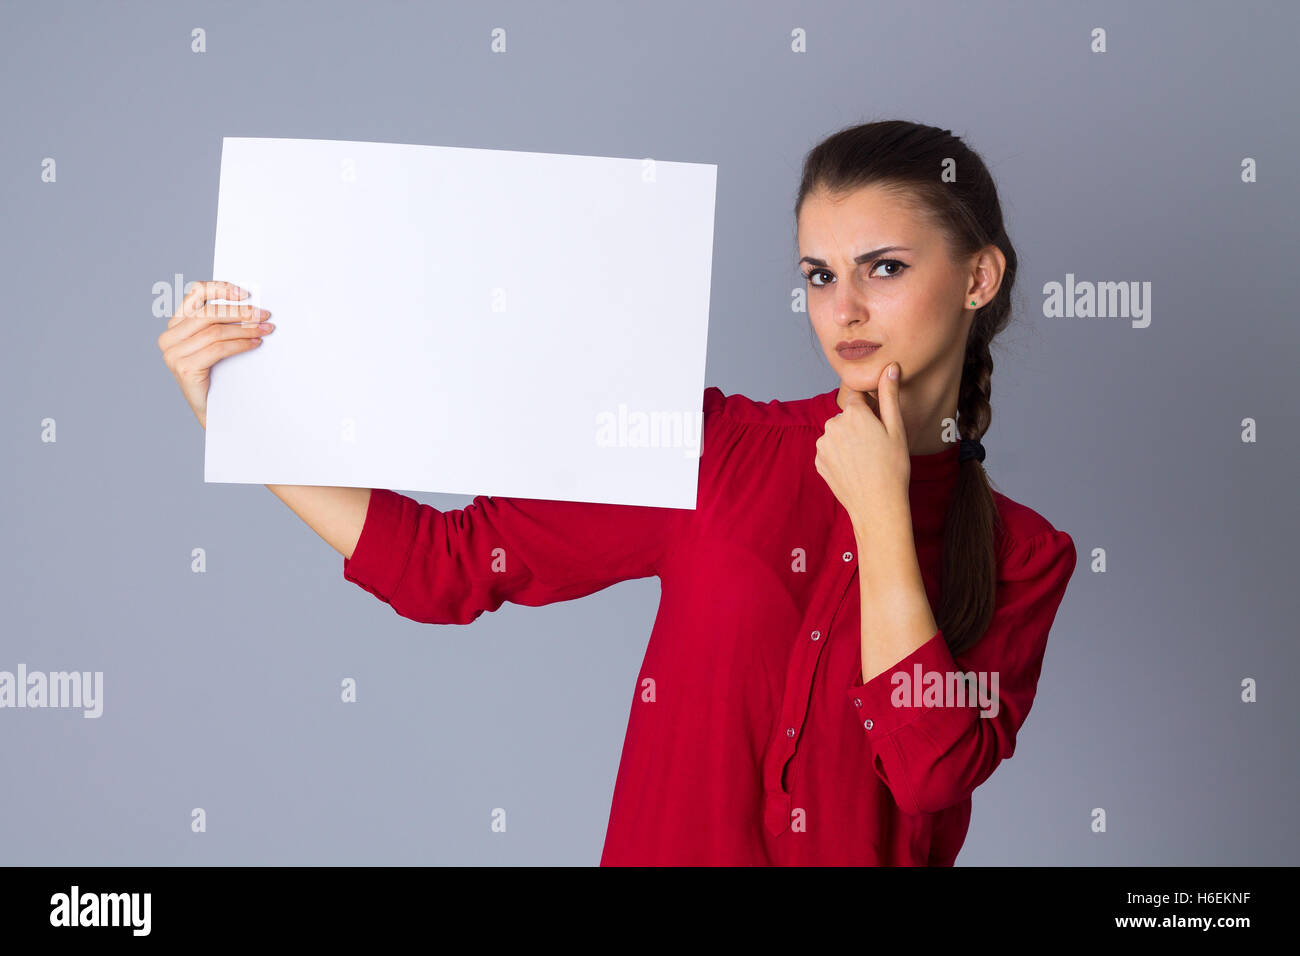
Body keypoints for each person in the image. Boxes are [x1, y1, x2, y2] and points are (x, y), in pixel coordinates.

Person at [159, 119, 1078, 866]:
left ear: (978, 277)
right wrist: (245, 417)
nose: (842, 309)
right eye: (818, 275)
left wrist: (881, 515)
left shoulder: (1024, 555)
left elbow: (929, 773)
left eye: (883, 268)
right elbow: (443, 567)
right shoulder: (713, 450)